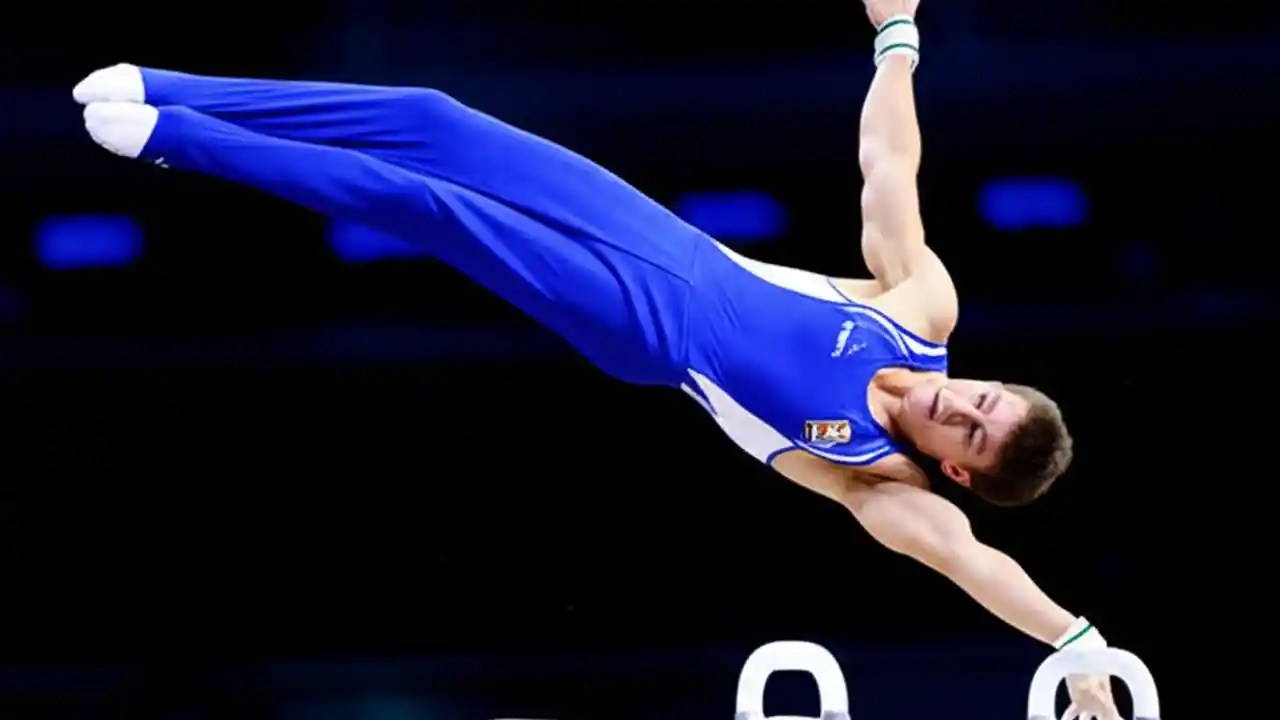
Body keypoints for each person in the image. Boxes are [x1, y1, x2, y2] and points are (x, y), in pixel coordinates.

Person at [72, 2, 1119, 716]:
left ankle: (171, 136)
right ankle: (173, 84)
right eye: (983, 396)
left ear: (960, 474)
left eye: (970, 433)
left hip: (646, 329)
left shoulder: (878, 483)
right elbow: (887, 167)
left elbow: (972, 563)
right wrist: (897, 36)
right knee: (433, 121)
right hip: (663, 239)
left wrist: (1071, 643)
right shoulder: (919, 309)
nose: (961, 406)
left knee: (428, 207)